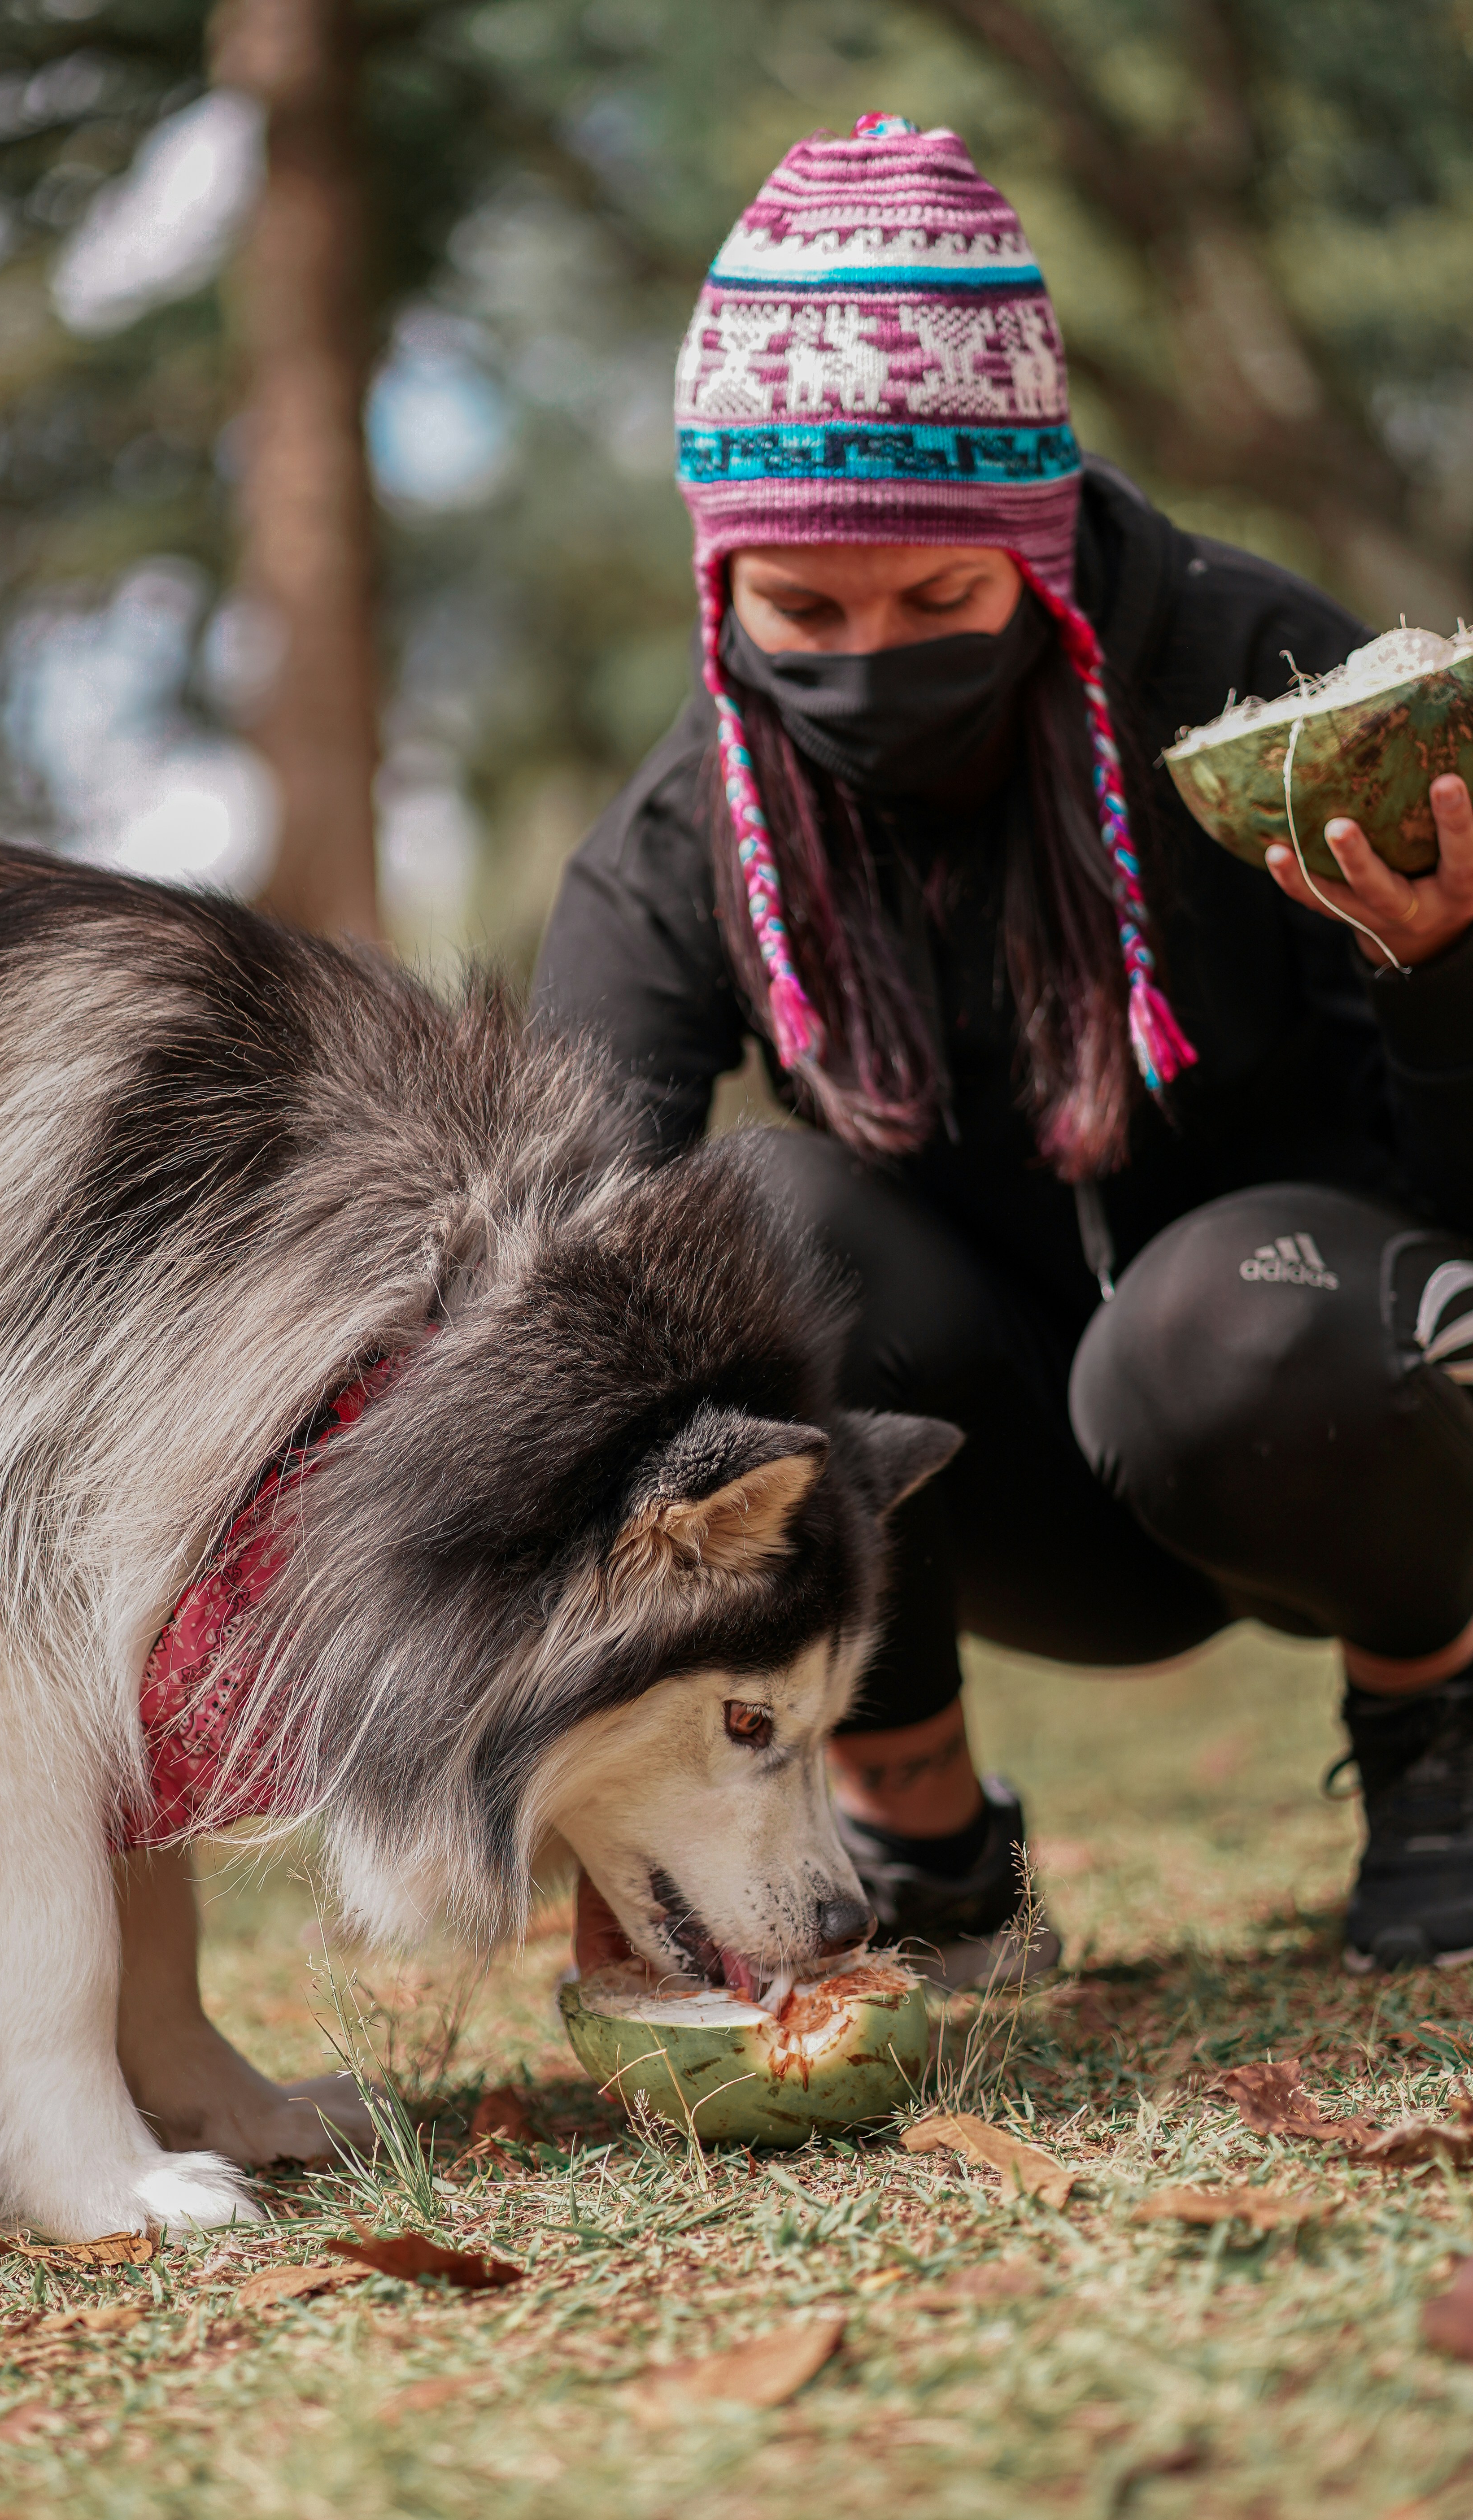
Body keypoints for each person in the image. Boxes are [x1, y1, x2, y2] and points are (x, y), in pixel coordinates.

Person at [533, 114, 1473, 1985]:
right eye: (804, 611)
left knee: (1228, 1315)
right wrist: (605, 1737)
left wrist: (1448, 974)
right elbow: (547, 1278)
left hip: (1342, 1387)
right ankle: (918, 1836)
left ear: (1034, 555)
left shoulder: (1257, 685)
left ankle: (1436, 1743)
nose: (867, 656)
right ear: (720, 584)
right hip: (1003, 1494)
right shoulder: (688, 833)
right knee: (733, 1227)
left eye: (939, 603)